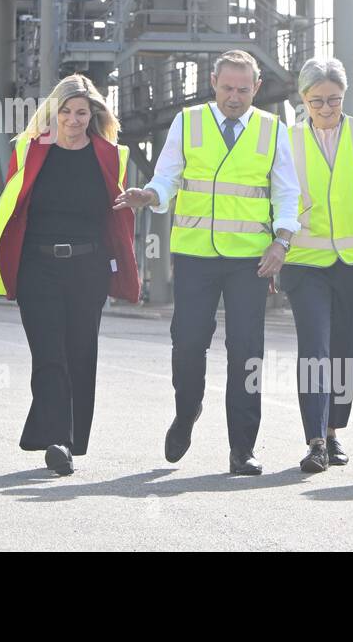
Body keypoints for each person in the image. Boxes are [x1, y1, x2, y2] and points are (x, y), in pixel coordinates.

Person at [115, 50, 299, 475]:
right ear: (213, 83)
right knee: (188, 344)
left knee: (247, 353)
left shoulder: (273, 131)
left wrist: (282, 242)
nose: (234, 97)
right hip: (195, 253)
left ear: (256, 87)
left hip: (251, 260)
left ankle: (243, 448)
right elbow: (168, 177)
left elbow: (287, 192)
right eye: (227, 88)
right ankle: (187, 410)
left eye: (243, 89)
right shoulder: (189, 121)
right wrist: (150, 195)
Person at [0, 75, 140, 476]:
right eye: (67, 111)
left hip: (87, 268)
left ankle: (69, 437)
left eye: (82, 113)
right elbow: (11, 206)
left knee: (80, 352)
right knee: (48, 353)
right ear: (53, 112)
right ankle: (57, 439)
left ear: (93, 116)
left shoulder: (110, 155)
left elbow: (116, 211)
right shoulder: (29, 150)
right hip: (38, 266)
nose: (73, 120)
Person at [280, 58, 353, 472]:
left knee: (346, 351)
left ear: (344, 97)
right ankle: (314, 439)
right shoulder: (287, 140)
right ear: (303, 99)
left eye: (334, 99)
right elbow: (273, 199)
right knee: (315, 350)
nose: (326, 108)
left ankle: (333, 433)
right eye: (317, 101)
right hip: (306, 261)